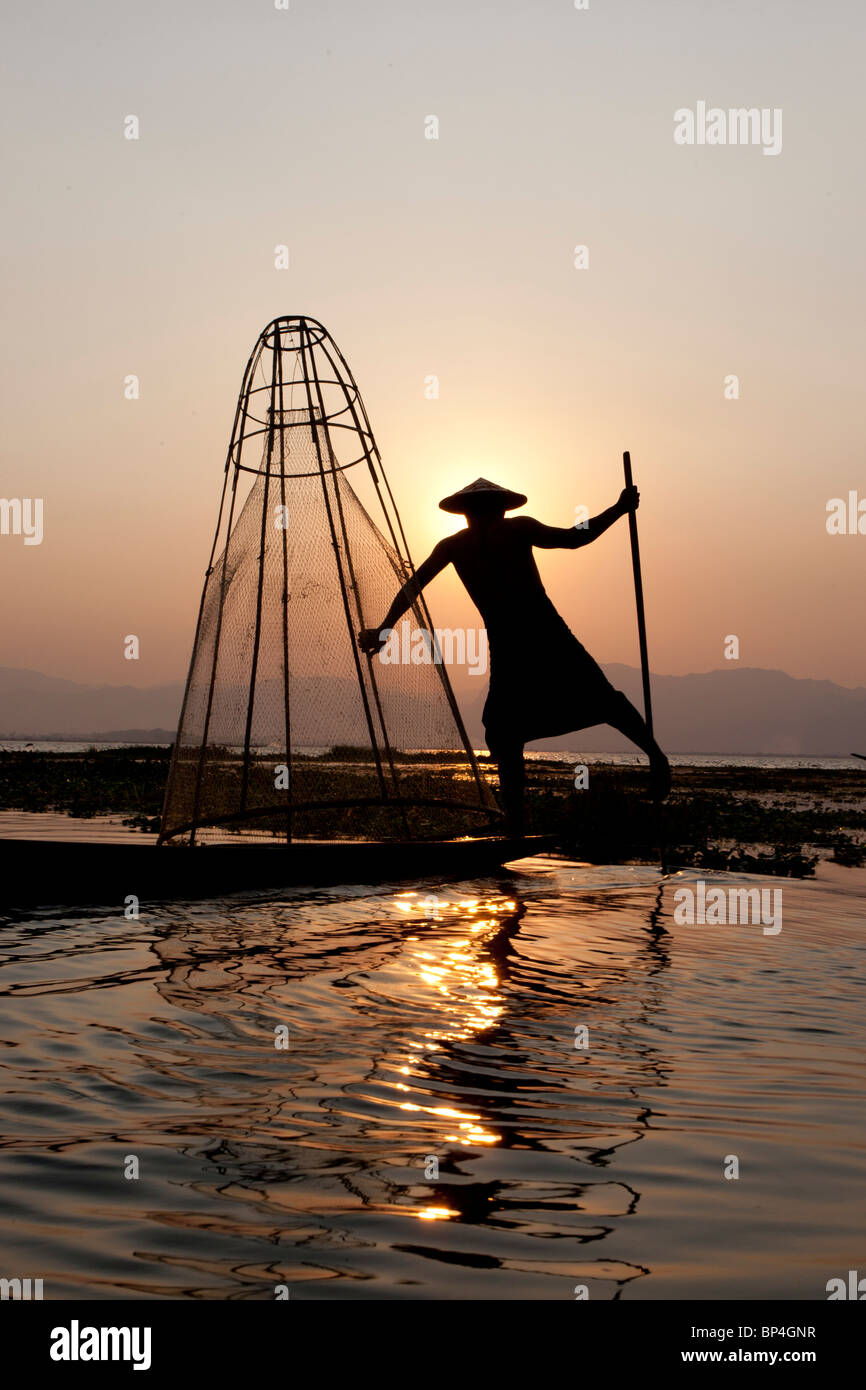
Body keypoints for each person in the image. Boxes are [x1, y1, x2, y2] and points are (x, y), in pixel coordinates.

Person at [358, 478, 671, 834]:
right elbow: (414, 585)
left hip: (546, 632)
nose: (476, 517)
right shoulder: (455, 546)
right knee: (502, 730)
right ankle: (517, 821)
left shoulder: (515, 530)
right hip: (508, 644)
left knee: (602, 702)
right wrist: (384, 630)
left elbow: (574, 537)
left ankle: (657, 759)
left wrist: (619, 508)